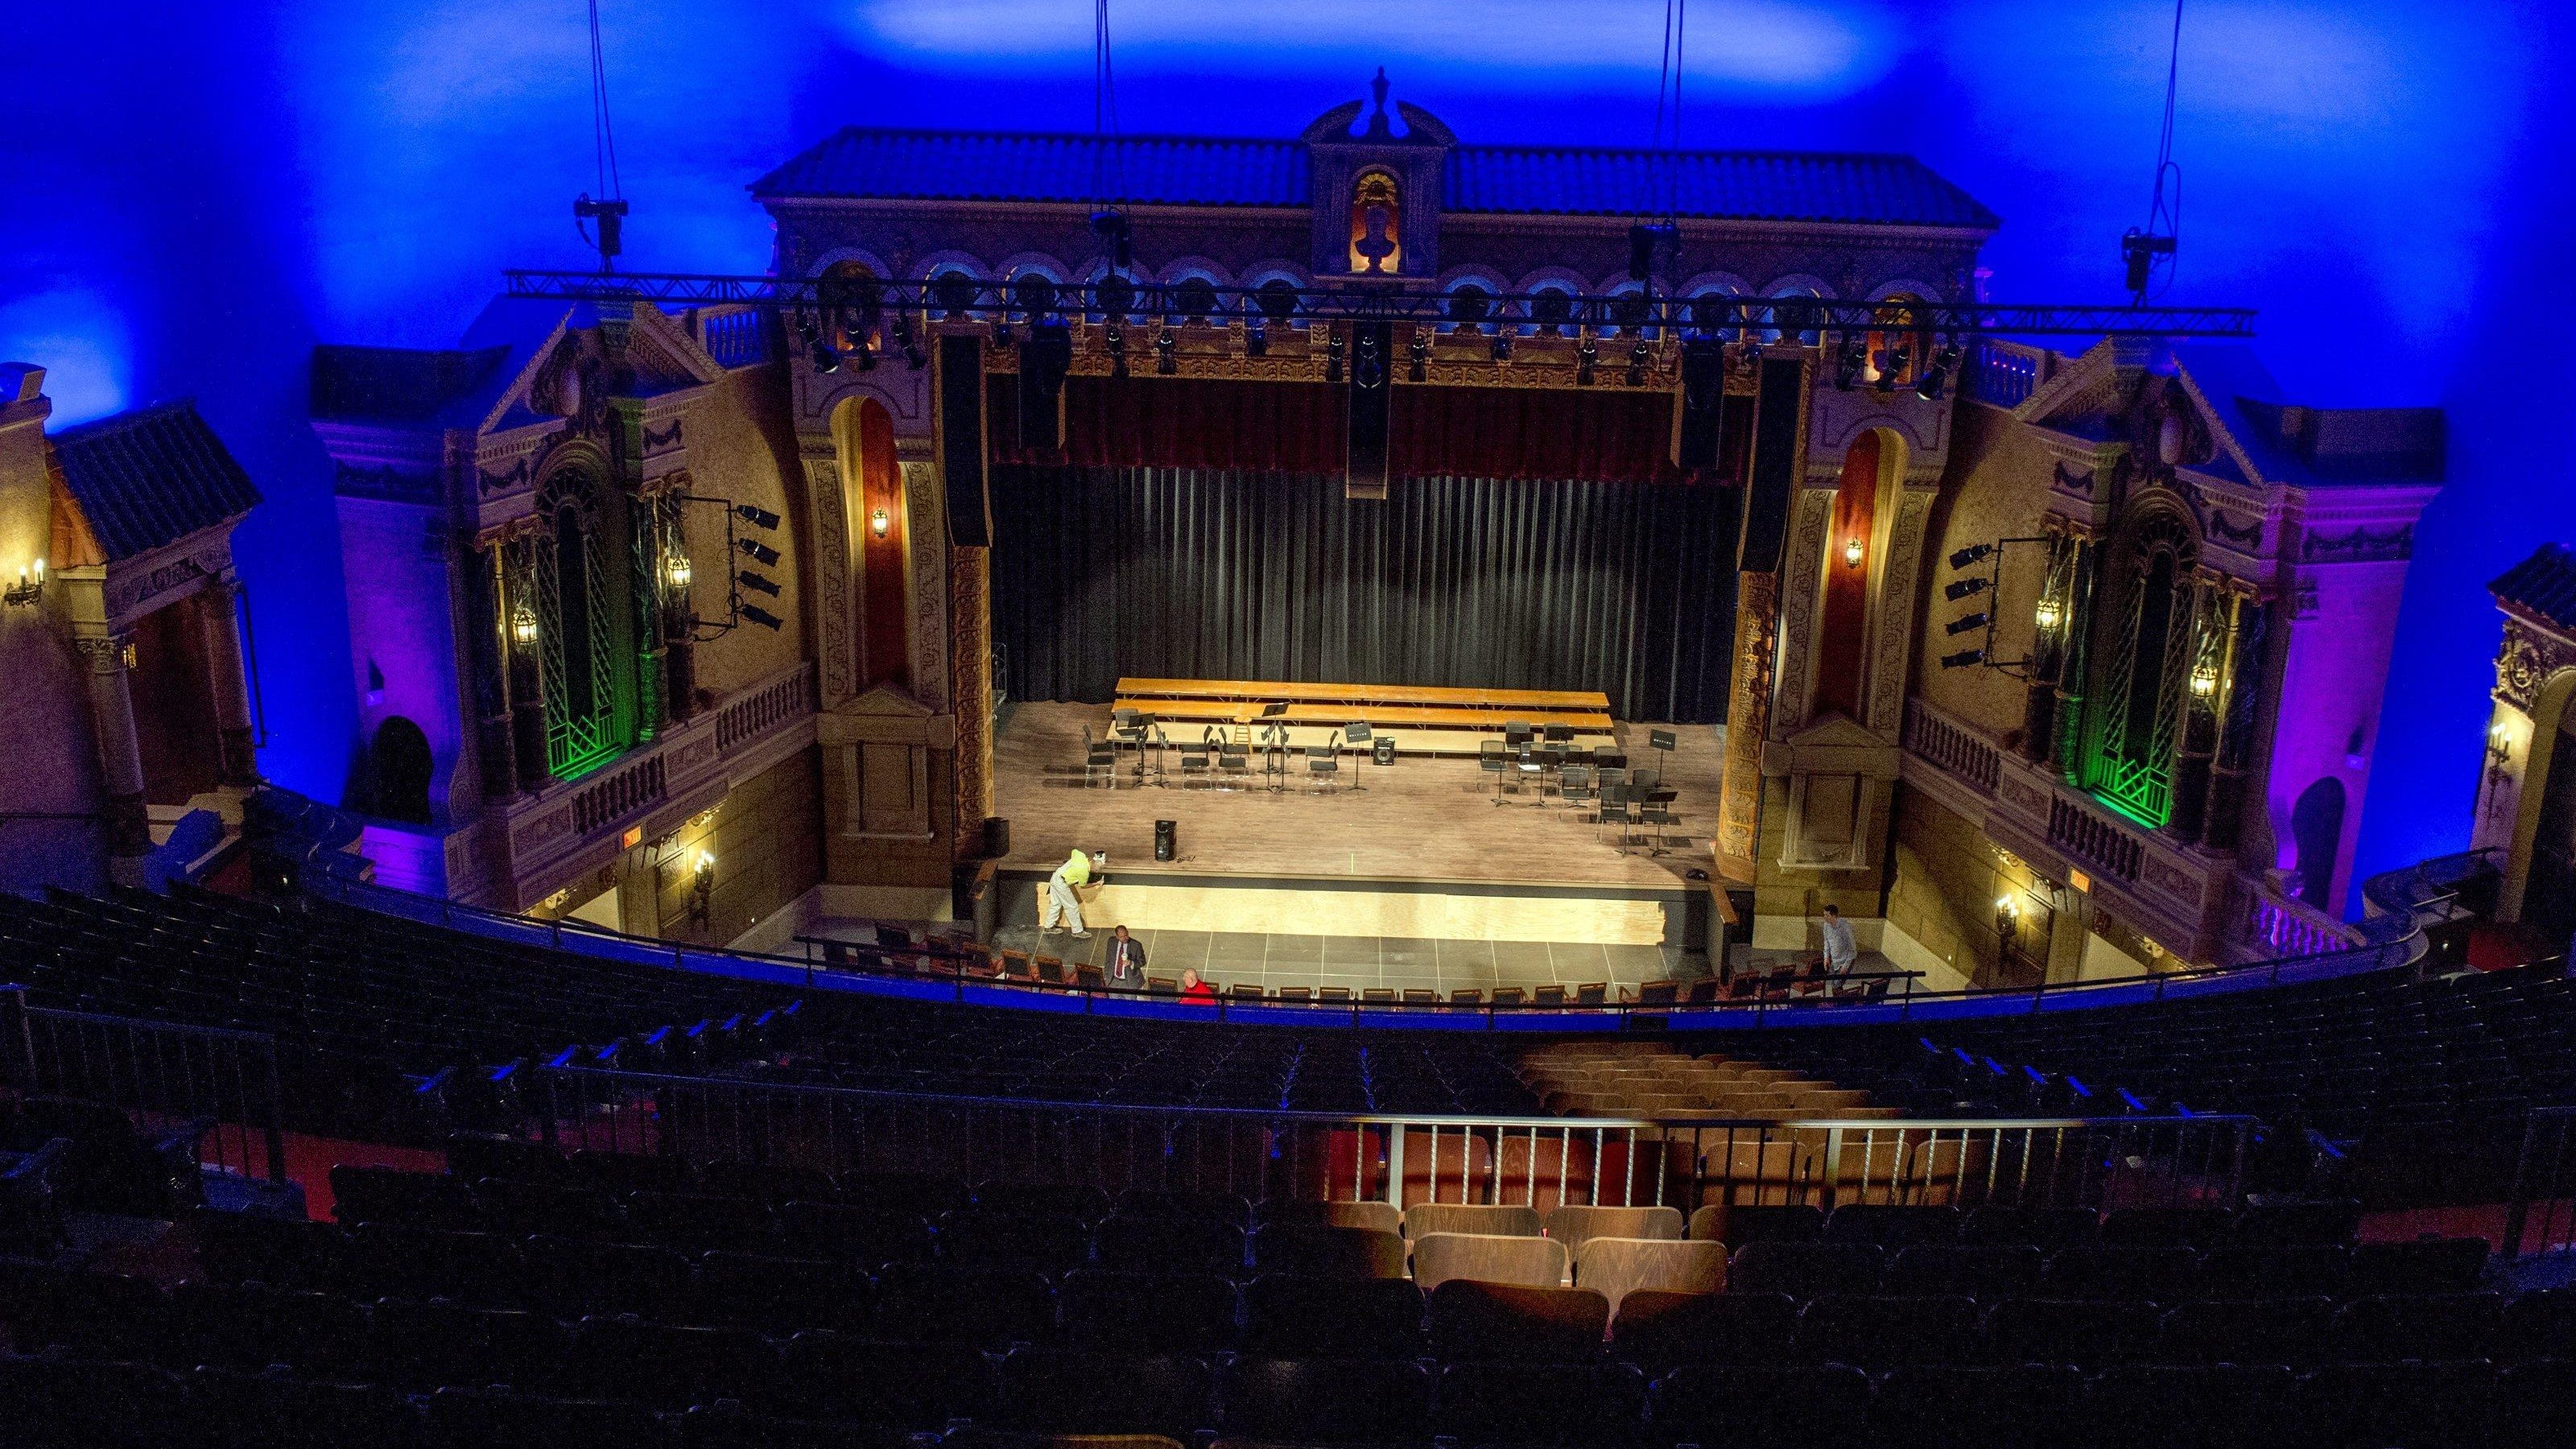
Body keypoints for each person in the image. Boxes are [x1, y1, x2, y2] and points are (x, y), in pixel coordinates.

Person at [1042, 848, 1094, 939]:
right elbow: (1083, 886)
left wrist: (1070, 865)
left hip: (1055, 876)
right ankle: (1077, 931)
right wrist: (1096, 884)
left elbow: (1074, 851)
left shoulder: (1081, 856)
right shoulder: (1084, 871)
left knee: (1055, 904)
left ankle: (1048, 926)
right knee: (1072, 906)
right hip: (1061, 883)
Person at [1818, 903, 1858, 980]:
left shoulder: (1845, 928)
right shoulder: (1826, 925)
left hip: (1846, 960)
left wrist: (1845, 967)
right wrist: (1826, 957)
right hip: (1835, 960)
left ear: (1834, 916)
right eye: (1824, 915)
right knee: (1834, 983)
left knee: (1837, 985)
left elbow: (1852, 950)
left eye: (1827, 915)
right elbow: (1827, 942)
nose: (1825, 917)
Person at [1106, 924, 1146, 988]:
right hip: (1113, 981)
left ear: (1127, 932)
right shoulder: (1111, 941)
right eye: (1121, 937)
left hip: (1130, 982)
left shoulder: (1136, 945)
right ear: (1117, 937)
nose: (1125, 938)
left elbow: (1143, 961)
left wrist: (1131, 963)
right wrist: (1107, 975)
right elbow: (1108, 960)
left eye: (1126, 935)